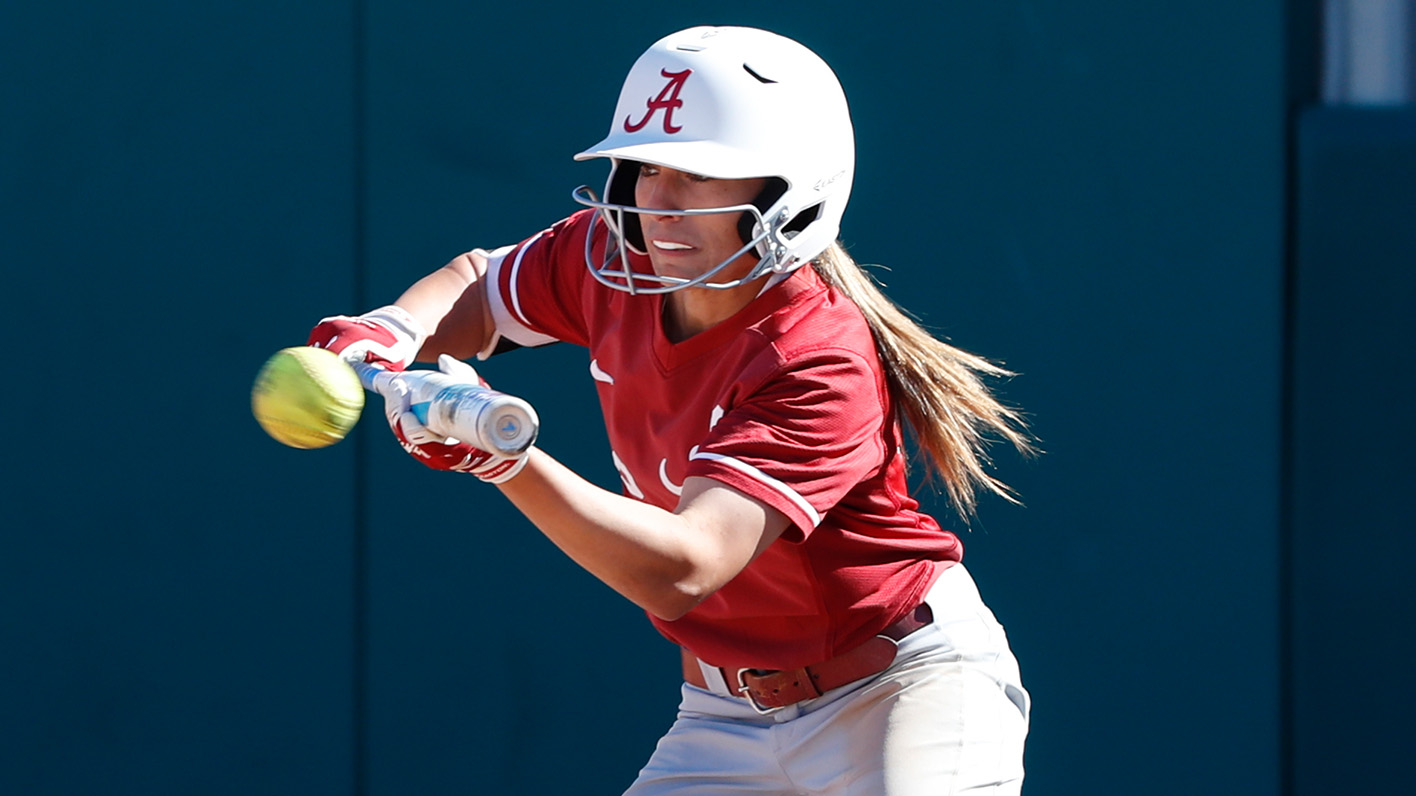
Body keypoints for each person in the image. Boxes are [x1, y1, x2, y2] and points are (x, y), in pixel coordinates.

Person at [309, 25, 1034, 795]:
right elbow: (481, 288)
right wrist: (394, 329)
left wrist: (503, 458)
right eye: (645, 167)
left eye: (698, 174)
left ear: (791, 193)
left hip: (900, 696)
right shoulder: (613, 258)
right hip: (724, 715)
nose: (657, 203)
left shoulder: (816, 354)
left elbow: (685, 569)